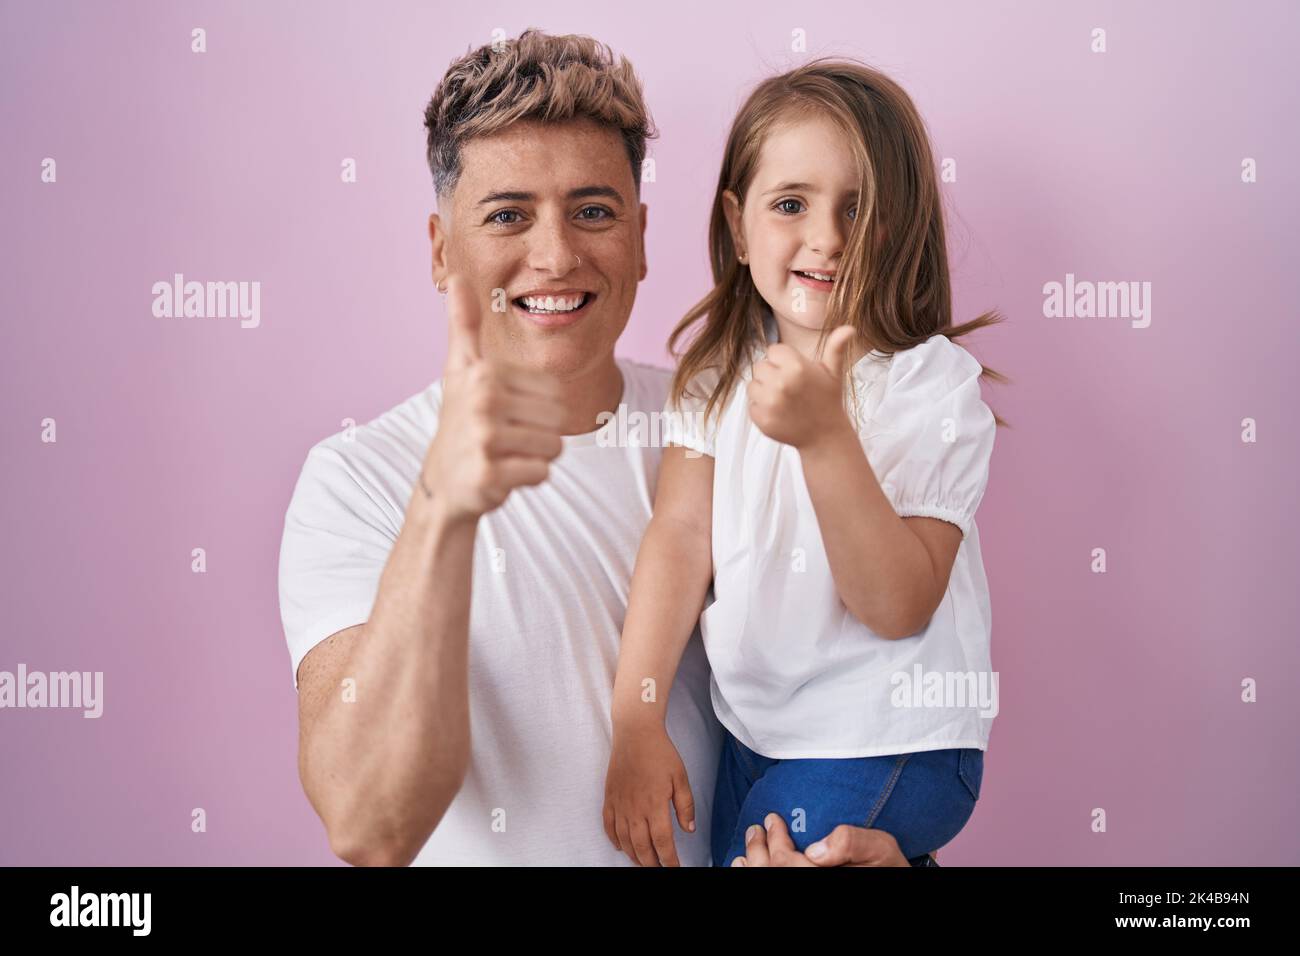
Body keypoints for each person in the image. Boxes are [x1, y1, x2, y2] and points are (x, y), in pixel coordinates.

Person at [279, 29, 917, 866]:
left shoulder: (733, 420)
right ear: (441, 251)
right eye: (508, 215)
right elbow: (370, 825)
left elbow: (868, 678)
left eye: (593, 211)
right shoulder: (357, 480)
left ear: (643, 238)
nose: (555, 255)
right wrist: (442, 509)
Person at [603, 60, 1007, 867]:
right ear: (739, 221)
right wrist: (635, 720)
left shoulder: (929, 386)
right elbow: (679, 540)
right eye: (792, 204)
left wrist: (827, 439)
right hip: (759, 734)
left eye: (860, 209)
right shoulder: (716, 380)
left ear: (900, 228)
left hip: (891, 734)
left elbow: (897, 605)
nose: (827, 237)